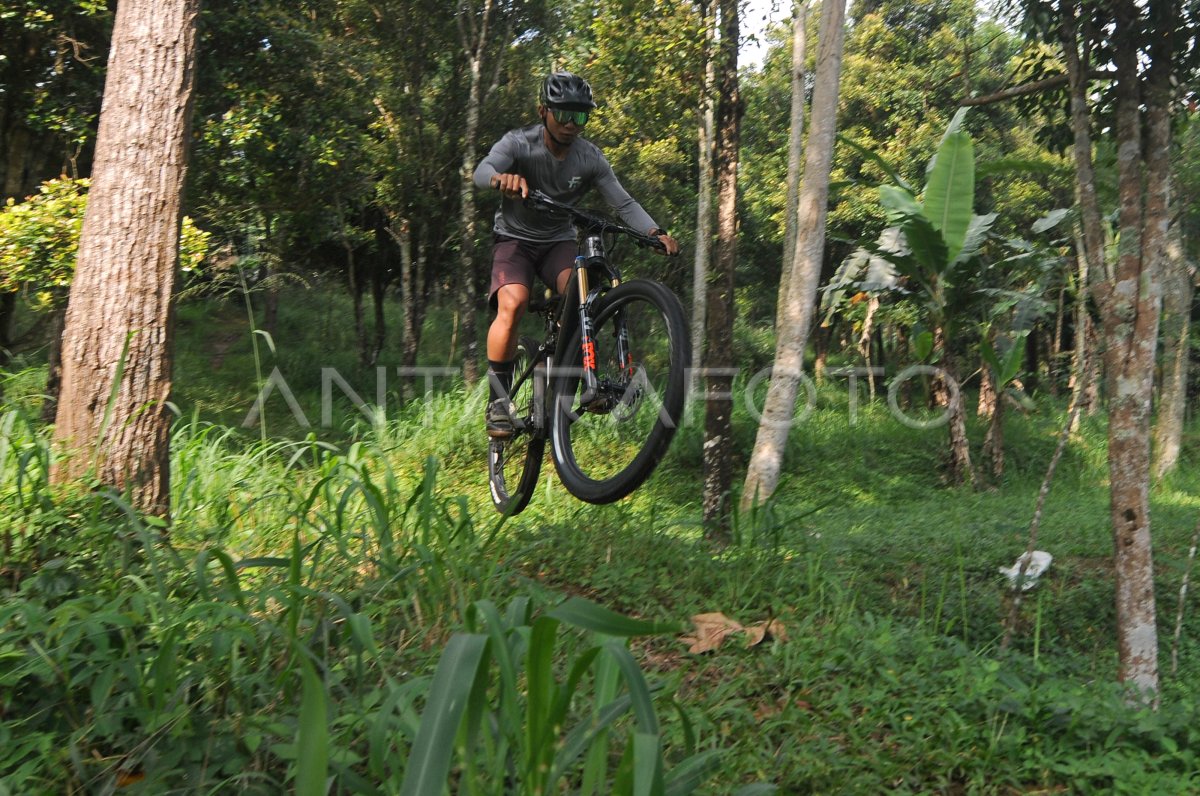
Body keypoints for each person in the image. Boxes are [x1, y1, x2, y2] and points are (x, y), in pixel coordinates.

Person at [473, 71, 679, 438]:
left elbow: (623, 201)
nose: (571, 124)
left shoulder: (589, 158)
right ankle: (498, 402)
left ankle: (578, 374)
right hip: (514, 239)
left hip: (558, 241)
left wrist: (654, 231)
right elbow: (482, 170)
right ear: (543, 111)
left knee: (585, 293)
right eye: (563, 114)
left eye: (580, 116)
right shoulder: (519, 144)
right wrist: (499, 179)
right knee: (515, 302)